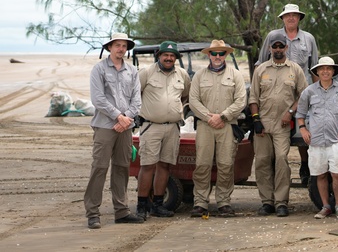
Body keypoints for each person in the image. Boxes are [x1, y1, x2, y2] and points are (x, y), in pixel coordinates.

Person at [84, 33, 144, 229]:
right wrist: (119, 116)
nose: (121, 49)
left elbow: (137, 100)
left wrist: (126, 119)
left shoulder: (132, 71)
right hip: (104, 126)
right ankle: (93, 213)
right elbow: (98, 99)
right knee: (99, 167)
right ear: (109, 47)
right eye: (117, 45)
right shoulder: (99, 69)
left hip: (125, 127)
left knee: (122, 167)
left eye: (124, 46)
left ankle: (122, 211)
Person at [257, 3, 319, 186]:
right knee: (276, 136)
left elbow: (315, 69)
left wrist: (317, 96)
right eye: (288, 15)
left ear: (299, 18)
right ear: (282, 18)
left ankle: (306, 167)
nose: (291, 18)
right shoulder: (273, 37)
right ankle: (275, 172)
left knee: (303, 133)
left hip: (302, 92)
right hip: (276, 91)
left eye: (294, 15)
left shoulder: (309, 39)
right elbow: (260, 64)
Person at [249, 32, 308, 217]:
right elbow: (253, 97)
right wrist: (256, 119)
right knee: (262, 161)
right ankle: (267, 202)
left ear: (286, 48)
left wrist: (290, 113)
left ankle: (281, 202)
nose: (278, 49)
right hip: (263, 124)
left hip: (283, 124)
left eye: (281, 46)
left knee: (282, 159)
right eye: (274, 47)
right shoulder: (261, 70)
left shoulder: (295, 69)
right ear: (269, 49)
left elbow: (304, 95)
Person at [188, 40, 247, 218]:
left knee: (226, 164)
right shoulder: (199, 75)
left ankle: (224, 202)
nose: (218, 57)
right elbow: (193, 100)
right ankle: (200, 202)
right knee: (202, 164)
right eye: (214, 53)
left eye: (221, 53)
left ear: (226, 55)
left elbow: (240, 101)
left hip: (227, 125)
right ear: (209, 55)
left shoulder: (235, 75)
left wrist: (222, 116)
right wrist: (209, 117)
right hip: (205, 125)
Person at [296, 56, 338, 220]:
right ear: (317, 71)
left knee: (337, 175)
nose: (325, 71)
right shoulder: (309, 91)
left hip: (335, 142)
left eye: (328, 68)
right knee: (320, 175)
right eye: (322, 69)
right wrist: (303, 130)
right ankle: (325, 206)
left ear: (333, 71)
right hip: (315, 142)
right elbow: (300, 114)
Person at [136, 40, 190, 220]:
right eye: (165, 55)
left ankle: (158, 205)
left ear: (176, 57)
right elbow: (135, 95)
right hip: (151, 126)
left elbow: (185, 95)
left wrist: (173, 110)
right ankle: (142, 205)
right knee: (148, 165)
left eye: (172, 55)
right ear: (159, 56)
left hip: (172, 128)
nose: (168, 58)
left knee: (165, 165)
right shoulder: (146, 73)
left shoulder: (182, 74)